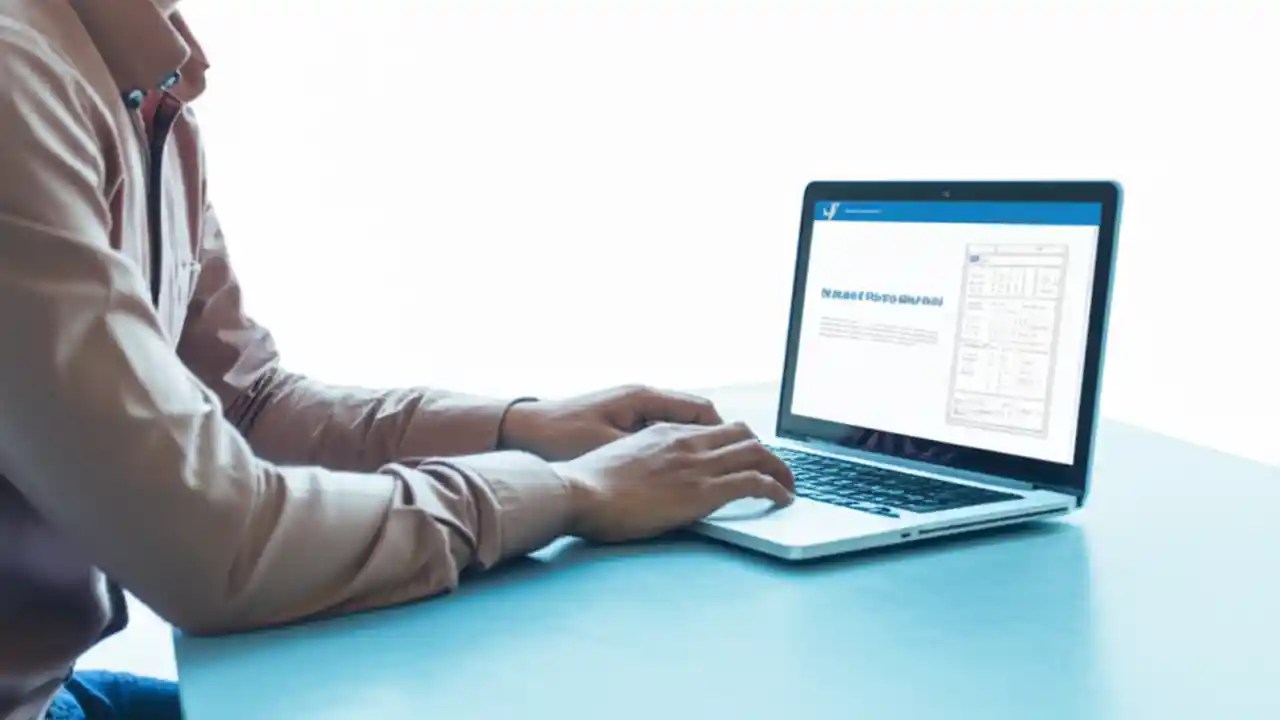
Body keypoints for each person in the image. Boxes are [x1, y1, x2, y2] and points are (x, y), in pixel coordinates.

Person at [0, 2, 796, 718]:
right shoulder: (17, 77)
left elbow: (249, 403)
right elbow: (211, 547)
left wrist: (522, 427)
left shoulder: (145, 84)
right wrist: (573, 492)